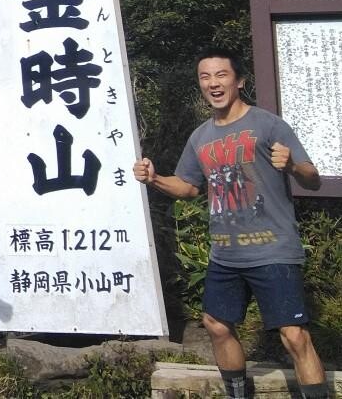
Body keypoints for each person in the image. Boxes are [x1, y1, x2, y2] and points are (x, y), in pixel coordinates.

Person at [133, 48, 328, 399]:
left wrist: (293, 166)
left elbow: (312, 178)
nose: (213, 83)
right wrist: (155, 179)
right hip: (226, 253)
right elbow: (189, 187)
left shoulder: (268, 124)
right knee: (216, 325)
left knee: (294, 335)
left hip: (274, 249)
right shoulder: (200, 137)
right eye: (205, 77)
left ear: (239, 81)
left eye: (221, 75)